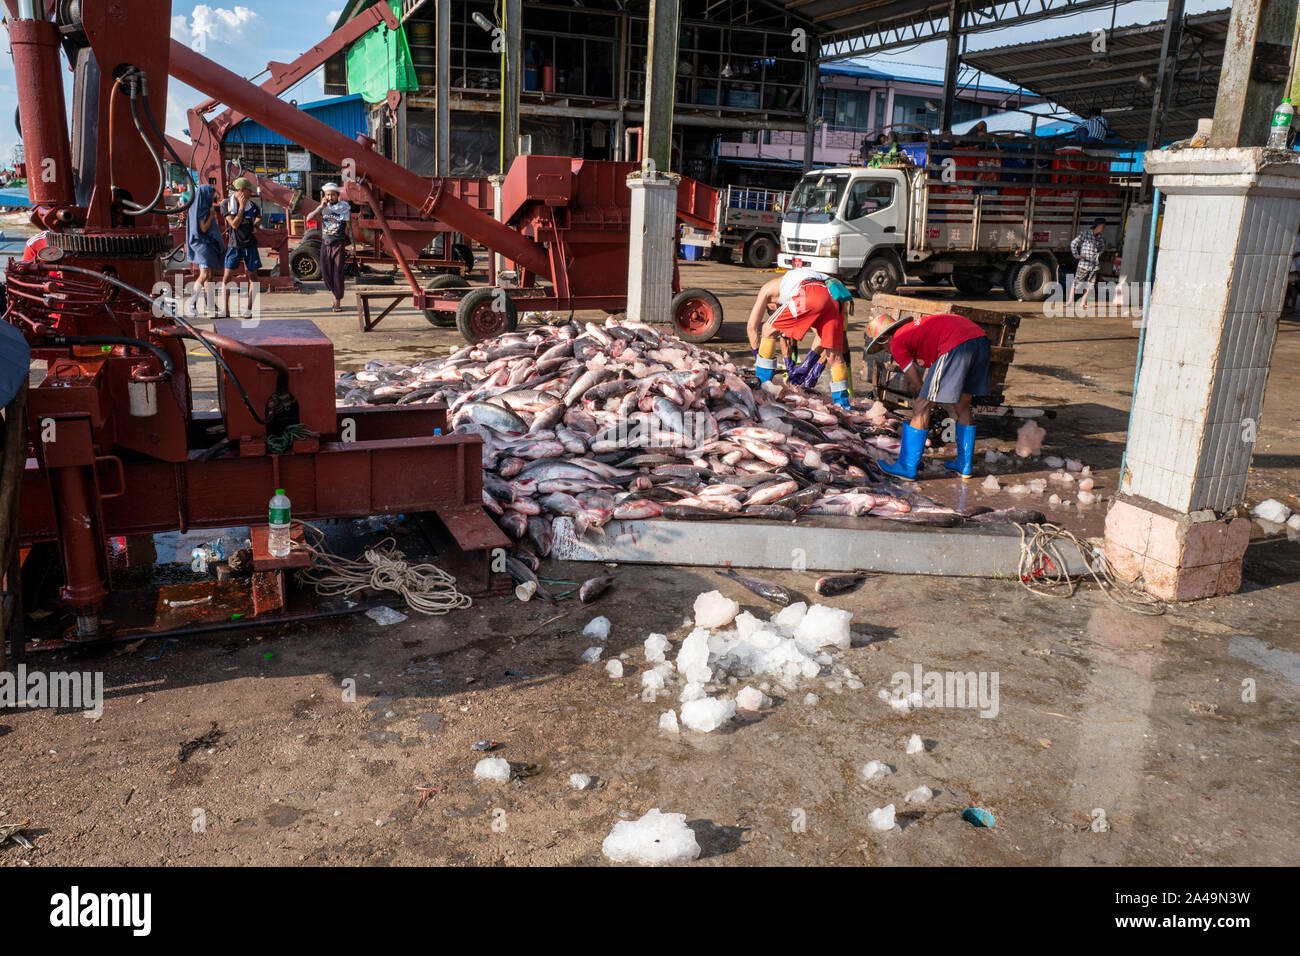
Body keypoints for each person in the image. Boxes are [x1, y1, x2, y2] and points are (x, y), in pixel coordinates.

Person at [864, 310, 992, 480]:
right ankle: (964, 465)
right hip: (980, 341)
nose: (886, 351)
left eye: (882, 347)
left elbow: (916, 383)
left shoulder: (896, 342)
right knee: (963, 404)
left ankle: (906, 467)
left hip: (956, 344)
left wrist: (922, 393)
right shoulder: (912, 331)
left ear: (884, 338)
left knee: (921, 406)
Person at [747, 267, 852, 409]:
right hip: (836, 296)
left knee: (768, 329)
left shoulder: (767, 290)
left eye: (774, 311)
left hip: (812, 290)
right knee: (835, 356)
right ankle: (843, 405)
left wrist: (759, 359)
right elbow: (821, 337)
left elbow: (752, 328)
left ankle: (763, 387)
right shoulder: (793, 281)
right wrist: (807, 364)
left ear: (773, 306)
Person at [221, 177, 261, 317]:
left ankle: (249, 309)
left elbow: (258, 217)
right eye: (248, 190)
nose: (251, 192)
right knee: (227, 277)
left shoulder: (253, 206)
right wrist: (242, 208)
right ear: (241, 191)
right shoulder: (226, 204)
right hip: (235, 245)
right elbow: (234, 224)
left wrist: (255, 224)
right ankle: (225, 310)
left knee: (253, 277)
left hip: (250, 245)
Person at [184, 183, 223, 315]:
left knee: (209, 276)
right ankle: (191, 302)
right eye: (211, 196)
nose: (212, 198)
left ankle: (210, 305)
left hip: (206, 245)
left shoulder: (198, 207)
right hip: (202, 245)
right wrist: (212, 215)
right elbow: (203, 228)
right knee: (205, 274)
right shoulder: (201, 209)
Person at [317, 182, 351, 312]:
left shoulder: (344, 208)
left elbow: (350, 227)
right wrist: (320, 207)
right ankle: (334, 293)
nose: (330, 197)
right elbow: (309, 217)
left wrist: (353, 245)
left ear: (338, 195)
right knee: (326, 273)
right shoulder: (324, 208)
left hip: (338, 244)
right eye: (328, 195)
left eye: (332, 195)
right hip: (325, 244)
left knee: (338, 272)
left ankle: (337, 300)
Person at [1070, 218, 1106, 312]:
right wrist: (1077, 255)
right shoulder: (1085, 234)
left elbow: (1102, 247)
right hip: (1084, 264)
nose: (1103, 228)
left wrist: (1099, 254)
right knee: (1077, 283)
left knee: (1090, 284)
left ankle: (1083, 302)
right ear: (1097, 226)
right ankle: (1070, 301)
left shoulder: (1100, 237)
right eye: (1102, 226)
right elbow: (1073, 243)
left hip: (1094, 265)